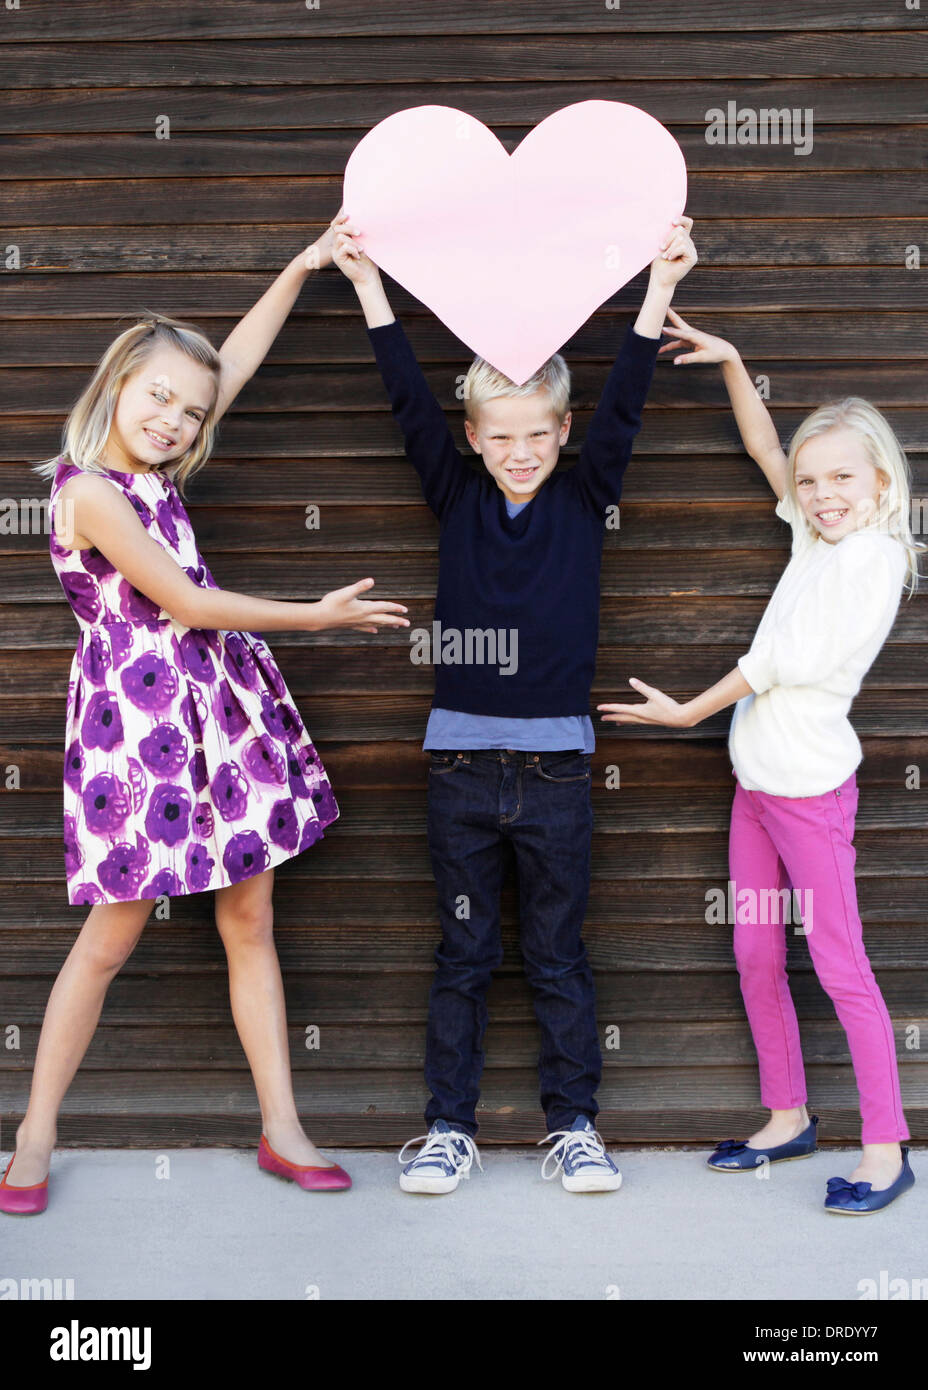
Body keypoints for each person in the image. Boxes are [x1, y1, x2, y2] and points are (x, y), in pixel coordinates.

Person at [0, 231, 409, 1216]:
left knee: (248, 916)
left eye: (188, 409)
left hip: (218, 720)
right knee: (108, 938)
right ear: (118, 382)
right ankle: (34, 1131)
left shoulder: (159, 470)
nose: (175, 418)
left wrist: (304, 267)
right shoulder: (90, 493)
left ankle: (282, 1127)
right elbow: (183, 603)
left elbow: (237, 362)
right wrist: (314, 616)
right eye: (158, 396)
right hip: (137, 735)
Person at [334, 208, 697, 1193]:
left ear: (562, 431)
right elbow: (407, 398)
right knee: (460, 953)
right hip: (457, 768)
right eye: (502, 434)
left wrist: (658, 286)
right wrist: (370, 288)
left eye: (539, 431)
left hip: (556, 774)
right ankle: (448, 1128)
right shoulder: (455, 495)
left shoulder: (585, 498)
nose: (522, 449)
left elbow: (627, 397)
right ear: (474, 437)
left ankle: (572, 1125)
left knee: (554, 954)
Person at [599, 307, 922, 1214]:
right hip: (757, 793)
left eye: (842, 479)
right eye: (813, 480)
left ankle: (887, 1149)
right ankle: (787, 1116)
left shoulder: (869, 560)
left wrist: (684, 713)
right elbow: (767, 456)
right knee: (753, 950)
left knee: (840, 966)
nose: (820, 493)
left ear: (883, 483)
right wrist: (735, 362)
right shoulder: (817, 538)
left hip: (811, 799)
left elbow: (779, 663)